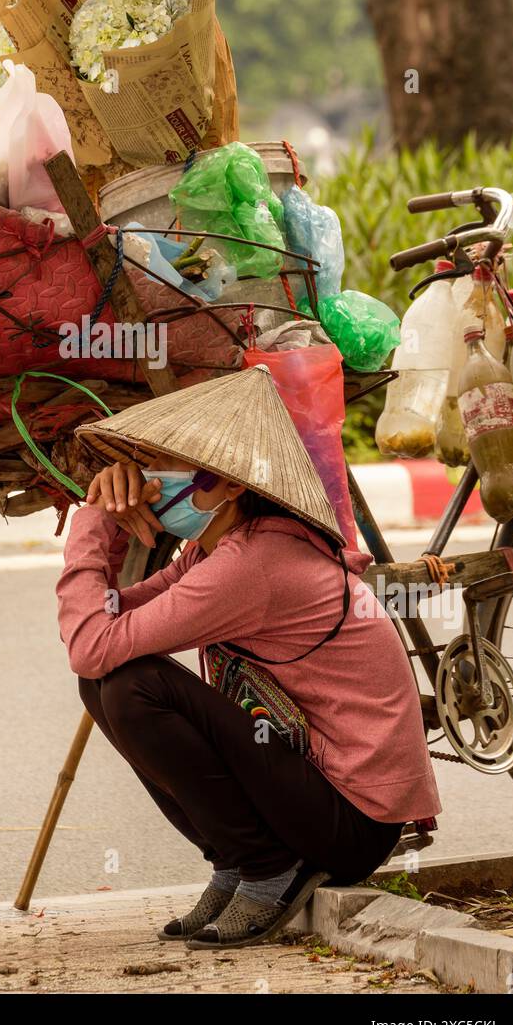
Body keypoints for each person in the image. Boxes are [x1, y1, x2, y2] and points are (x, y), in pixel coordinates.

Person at [55, 365, 441, 949]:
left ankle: (266, 866)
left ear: (231, 483)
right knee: (104, 682)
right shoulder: (215, 550)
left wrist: (88, 521)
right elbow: (106, 624)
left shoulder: (250, 567)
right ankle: (236, 862)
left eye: (170, 465)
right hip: (311, 788)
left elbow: (92, 642)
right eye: (149, 462)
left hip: (352, 822)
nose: (152, 480)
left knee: (132, 687)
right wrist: (107, 532)